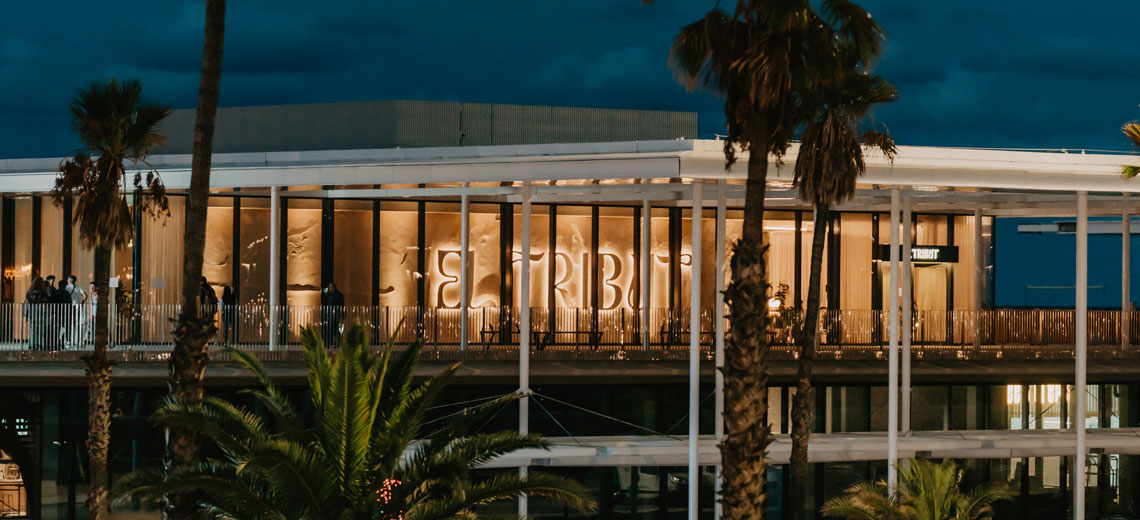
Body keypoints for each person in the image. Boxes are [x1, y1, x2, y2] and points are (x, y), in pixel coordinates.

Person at [24, 276, 48, 350]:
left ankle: (32, 344)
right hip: (40, 311)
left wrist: (26, 314)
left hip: (32, 311)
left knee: (32, 328)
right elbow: (46, 302)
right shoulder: (43, 292)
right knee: (40, 328)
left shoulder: (30, 291)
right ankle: (39, 344)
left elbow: (27, 303)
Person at [322, 282, 345, 347]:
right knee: (329, 330)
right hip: (330, 315)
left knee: (337, 330)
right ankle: (328, 344)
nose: (329, 288)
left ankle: (338, 344)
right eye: (329, 287)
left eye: (330, 287)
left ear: (334, 287)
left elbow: (342, 305)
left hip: (337, 315)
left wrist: (342, 316)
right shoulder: (329, 294)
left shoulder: (339, 295)